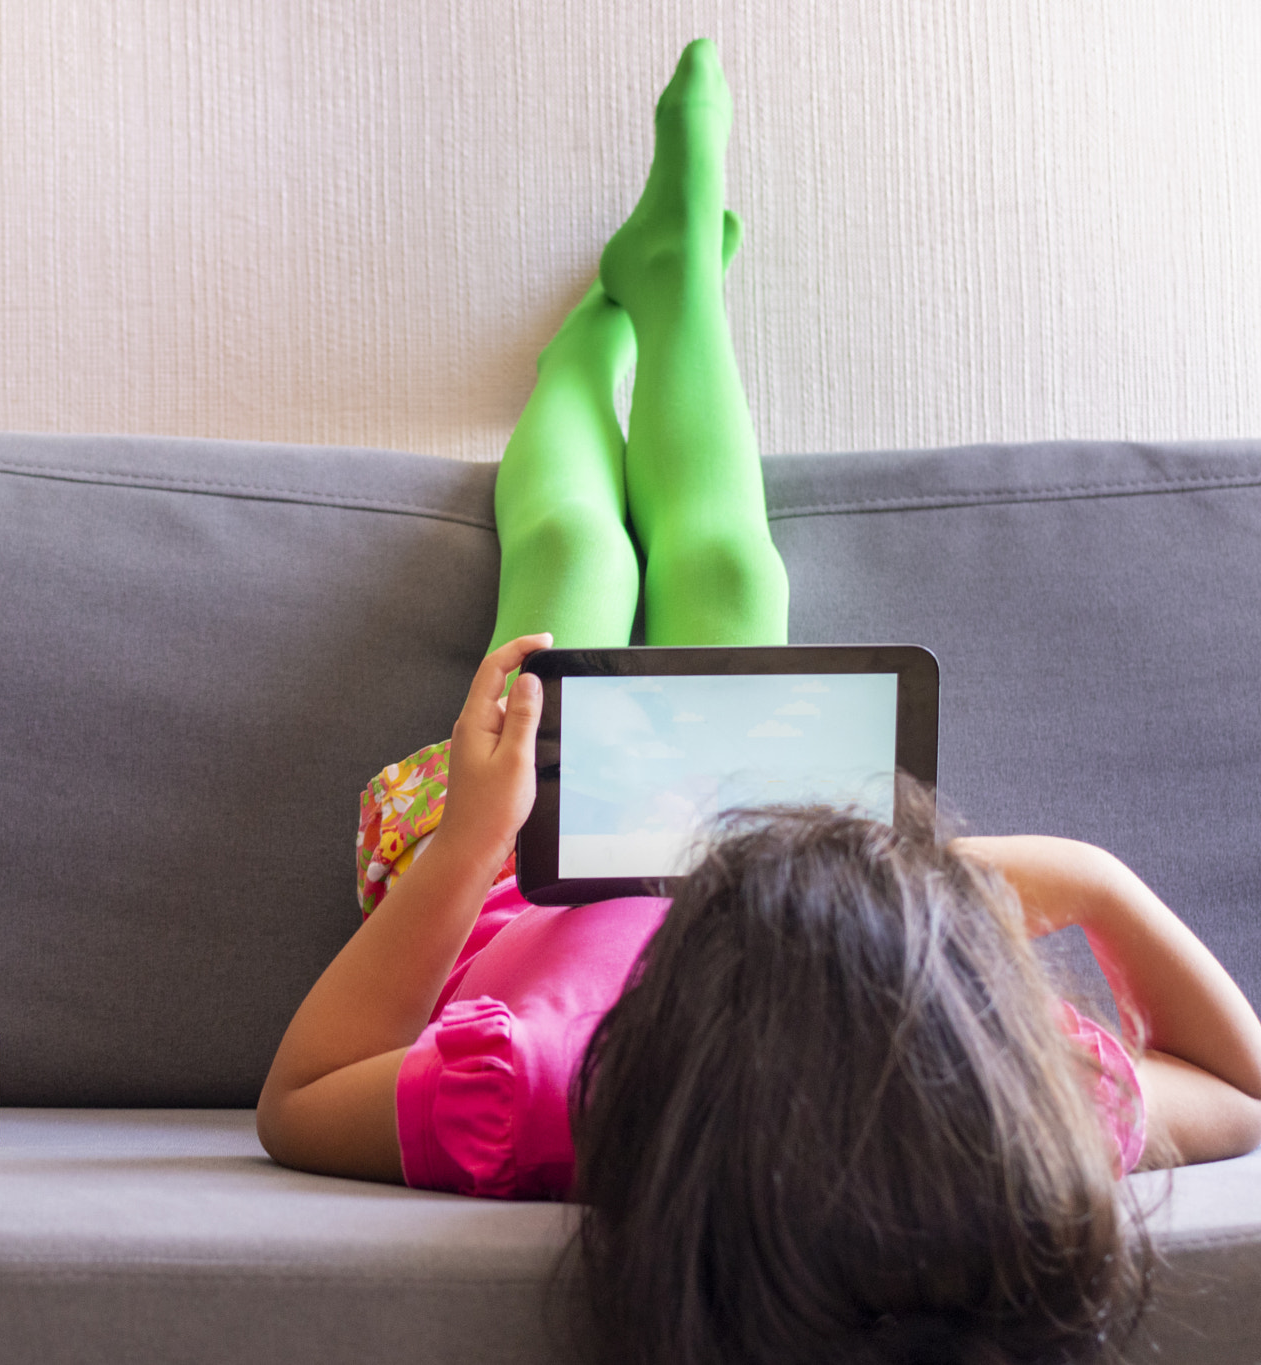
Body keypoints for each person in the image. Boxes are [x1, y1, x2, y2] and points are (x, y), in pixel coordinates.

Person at [255, 38, 1261, 1365]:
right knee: (731, 569)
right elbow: (1245, 1087)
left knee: (575, 563)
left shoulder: (543, 1096)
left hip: (503, 862)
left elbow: (298, 1095)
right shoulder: (999, 1120)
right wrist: (1095, 875)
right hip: (709, 832)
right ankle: (673, 292)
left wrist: (471, 846)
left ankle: (588, 348)